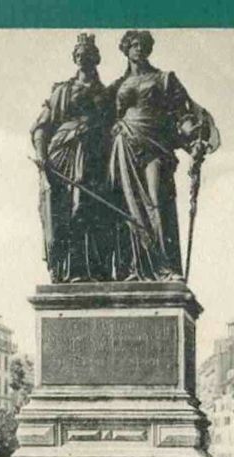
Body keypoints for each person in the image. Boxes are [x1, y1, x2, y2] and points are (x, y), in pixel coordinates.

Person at [107, 30, 219, 281]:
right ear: (125, 49)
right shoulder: (117, 87)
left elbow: (184, 114)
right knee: (127, 207)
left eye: (143, 45)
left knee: (157, 202)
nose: (138, 49)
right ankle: (134, 269)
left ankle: (164, 267)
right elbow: (105, 119)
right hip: (124, 145)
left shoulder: (164, 79)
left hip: (155, 144)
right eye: (133, 45)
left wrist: (194, 140)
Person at [31, 33, 114, 282]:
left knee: (91, 209)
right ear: (74, 59)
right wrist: (41, 155)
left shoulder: (108, 94)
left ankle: (93, 270)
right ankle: (68, 270)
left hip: (95, 157)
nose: (82, 59)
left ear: (95, 59)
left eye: (87, 55)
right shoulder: (62, 90)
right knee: (65, 211)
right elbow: (41, 127)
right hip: (63, 155)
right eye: (78, 55)